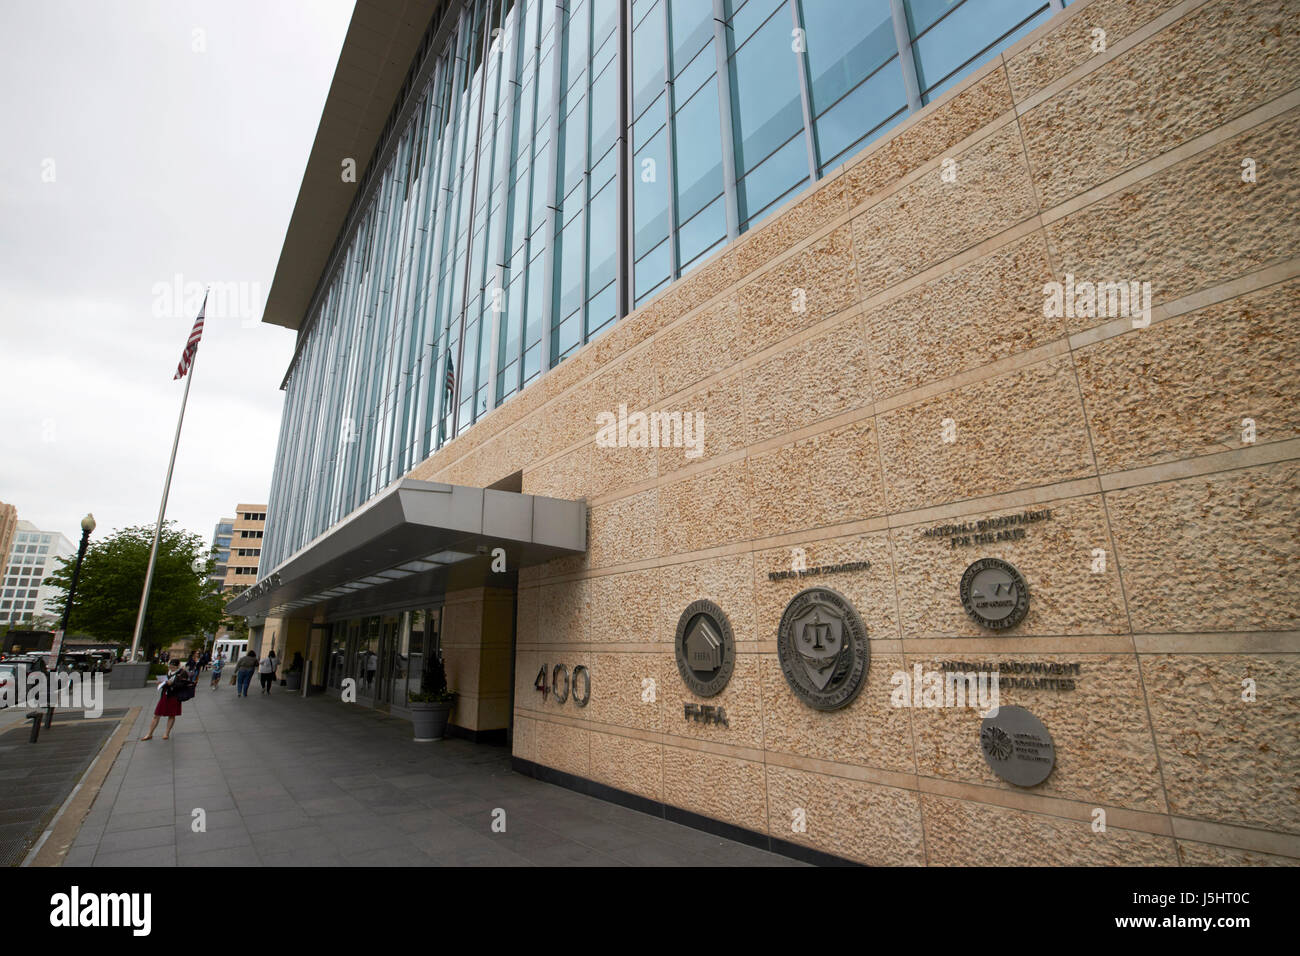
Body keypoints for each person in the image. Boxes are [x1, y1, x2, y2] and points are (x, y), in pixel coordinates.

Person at [141, 659, 190, 740]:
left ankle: (166, 733)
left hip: (174, 696)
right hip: (165, 695)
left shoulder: (182, 673)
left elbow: (183, 685)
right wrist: (161, 683)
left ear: (178, 666)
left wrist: (172, 684)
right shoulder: (168, 672)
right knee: (157, 714)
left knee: (171, 715)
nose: (171, 668)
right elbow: (165, 682)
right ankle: (149, 733)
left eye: (173, 666)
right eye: (170, 666)